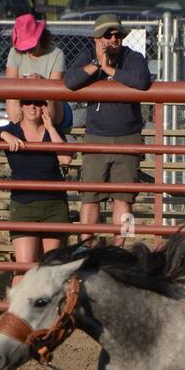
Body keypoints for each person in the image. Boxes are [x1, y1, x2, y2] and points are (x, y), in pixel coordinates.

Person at [0, 76, 74, 286]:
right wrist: (2, 135)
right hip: (24, 204)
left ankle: (48, 317)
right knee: (24, 266)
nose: (32, 106)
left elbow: (65, 158)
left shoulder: (53, 131)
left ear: (45, 106)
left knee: (51, 268)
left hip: (54, 205)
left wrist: (51, 126)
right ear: (21, 105)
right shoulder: (11, 130)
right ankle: (15, 314)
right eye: (27, 102)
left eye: (38, 102)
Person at [64, 13, 151, 247]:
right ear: (96, 39)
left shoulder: (133, 58)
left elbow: (142, 81)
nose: (114, 39)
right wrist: (96, 65)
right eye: (107, 35)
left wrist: (110, 70)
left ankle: (120, 249)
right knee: (89, 198)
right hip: (96, 137)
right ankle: (85, 247)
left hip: (128, 137)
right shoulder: (87, 57)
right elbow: (70, 82)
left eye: (118, 35)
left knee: (125, 199)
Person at [5, 13, 66, 128]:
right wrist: (23, 83)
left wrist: (41, 81)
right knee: (11, 98)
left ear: (40, 36)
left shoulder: (57, 54)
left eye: (31, 44)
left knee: (52, 98)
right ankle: (17, 131)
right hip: (23, 103)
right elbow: (10, 84)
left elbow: (55, 88)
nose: (28, 49)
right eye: (25, 46)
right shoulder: (14, 52)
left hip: (46, 101)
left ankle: (45, 132)